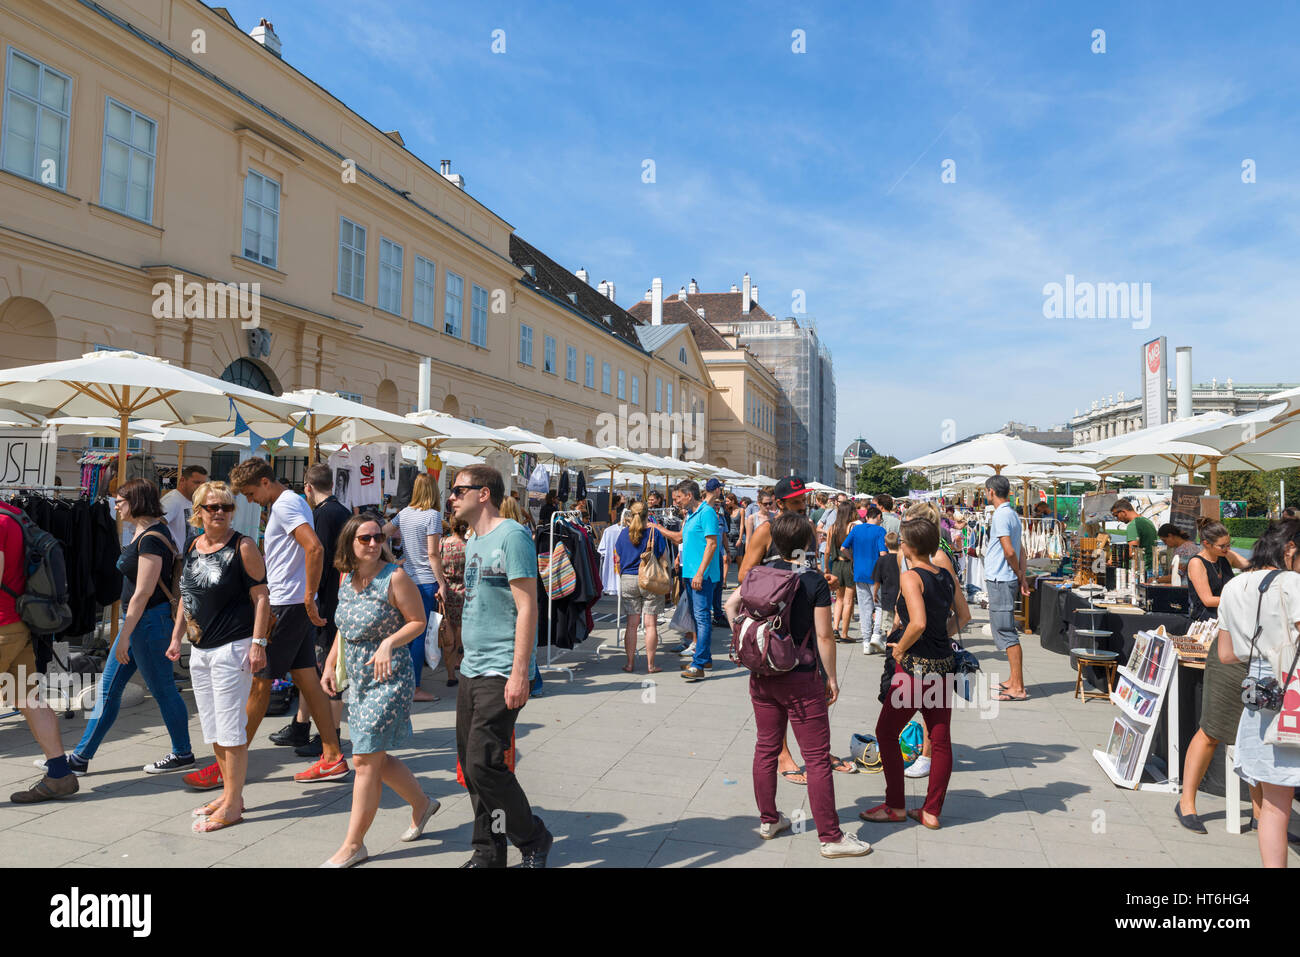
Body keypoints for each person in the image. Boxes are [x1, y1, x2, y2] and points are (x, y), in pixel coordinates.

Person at [186, 458, 348, 790]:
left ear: (264, 482)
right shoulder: (290, 502)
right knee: (307, 678)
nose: (248, 500)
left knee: (261, 682)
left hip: (287, 604)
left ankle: (227, 768)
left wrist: (308, 594)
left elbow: (314, 548)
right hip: (289, 601)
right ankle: (332, 756)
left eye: (248, 493)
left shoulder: (286, 504)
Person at [728, 512, 871, 858]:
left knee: (766, 747)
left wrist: (751, 644)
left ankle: (768, 819)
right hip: (801, 676)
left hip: (762, 673)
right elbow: (824, 634)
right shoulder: (811, 580)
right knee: (817, 758)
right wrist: (832, 677)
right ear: (807, 543)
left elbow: (731, 606)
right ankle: (831, 837)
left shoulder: (758, 573)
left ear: (775, 540)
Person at [450, 465, 554, 867]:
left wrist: (519, 672)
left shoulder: (512, 536)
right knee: (471, 767)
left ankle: (534, 837)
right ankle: (489, 853)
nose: (452, 498)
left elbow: (528, 607)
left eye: (459, 490)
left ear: (484, 494)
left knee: (483, 763)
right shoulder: (474, 540)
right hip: (472, 669)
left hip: (500, 669)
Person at [319, 514, 437, 867]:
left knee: (364, 759)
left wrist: (388, 642)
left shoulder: (395, 577)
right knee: (375, 756)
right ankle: (422, 804)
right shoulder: (347, 578)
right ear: (349, 544)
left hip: (390, 677)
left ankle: (354, 844)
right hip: (357, 677)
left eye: (377, 537)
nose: (373, 544)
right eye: (364, 539)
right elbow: (344, 627)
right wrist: (329, 663)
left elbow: (418, 621)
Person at [68, 479, 194, 775]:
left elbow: (144, 592)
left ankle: (183, 753)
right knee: (109, 692)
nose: (117, 505)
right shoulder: (147, 530)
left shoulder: (151, 536)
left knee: (162, 689)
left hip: (148, 623)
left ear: (136, 502)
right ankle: (80, 758)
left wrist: (123, 636)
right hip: (142, 623)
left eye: (121, 500)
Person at [172, 481, 270, 832]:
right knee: (213, 727)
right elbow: (186, 593)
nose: (220, 513)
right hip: (200, 648)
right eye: (213, 507)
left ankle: (232, 804)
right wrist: (176, 638)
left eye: (226, 507)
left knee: (231, 729)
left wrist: (258, 643)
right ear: (198, 511)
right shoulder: (192, 544)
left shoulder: (243, 546)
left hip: (233, 647)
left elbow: (262, 597)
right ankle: (231, 795)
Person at [861, 517, 969, 829]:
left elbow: (917, 623)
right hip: (943, 667)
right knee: (941, 738)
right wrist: (942, 636)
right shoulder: (946, 575)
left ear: (908, 547)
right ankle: (931, 810)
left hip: (914, 670)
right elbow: (964, 614)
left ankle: (895, 804)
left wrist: (899, 649)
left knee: (886, 732)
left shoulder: (911, 577)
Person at [1214, 519, 1300, 867]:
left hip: (1259, 695)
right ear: (1290, 550)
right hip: (1293, 691)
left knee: (1275, 808)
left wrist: (1262, 650)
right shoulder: (1293, 583)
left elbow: (1226, 654)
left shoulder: (1235, 586)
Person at [1176, 518, 1252, 832]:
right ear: (1206, 544)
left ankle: (1260, 813)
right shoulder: (1196, 562)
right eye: (1221, 545)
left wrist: (1232, 556)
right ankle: (1186, 800)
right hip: (1207, 627)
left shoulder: (1224, 558)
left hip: (1230, 630)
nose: (1226, 549)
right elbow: (1207, 600)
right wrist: (1244, 598)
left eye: (1228, 544)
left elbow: (1248, 566)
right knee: (1210, 727)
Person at [272, 464, 352, 756]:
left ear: (307, 487)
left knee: (327, 670)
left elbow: (317, 556)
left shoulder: (321, 515)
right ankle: (301, 724)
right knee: (311, 668)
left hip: (326, 603)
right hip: (334, 599)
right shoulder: (343, 511)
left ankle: (327, 734)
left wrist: (310, 596)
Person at [3, 499, 79, 803]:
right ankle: (59, 774)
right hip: (17, 626)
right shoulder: (14, 516)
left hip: (1, 626)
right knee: (28, 698)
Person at [384, 474, 448, 703]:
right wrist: (441, 582)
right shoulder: (432, 516)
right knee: (420, 633)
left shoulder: (404, 514)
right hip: (425, 579)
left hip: (406, 579)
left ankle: (401, 681)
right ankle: (414, 686)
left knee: (406, 632)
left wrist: (392, 558)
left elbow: (381, 533)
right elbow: (433, 554)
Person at [657, 480, 720, 682]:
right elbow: (680, 539)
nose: (676, 501)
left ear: (689, 495)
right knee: (696, 616)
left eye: (678, 497)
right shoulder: (691, 515)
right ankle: (705, 658)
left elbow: (711, 545)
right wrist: (656, 527)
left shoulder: (707, 512)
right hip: (689, 572)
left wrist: (701, 573)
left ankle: (699, 663)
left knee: (701, 618)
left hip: (702, 575)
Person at [984, 475, 1030, 702]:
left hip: (1001, 578)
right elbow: (1021, 549)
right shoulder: (1012, 514)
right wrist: (1022, 575)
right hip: (1006, 577)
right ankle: (1013, 680)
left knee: (1005, 631)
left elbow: (1010, 551)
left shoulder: (1002, 515)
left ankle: (1018, 687)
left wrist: (1020, 573)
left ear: (991, 491)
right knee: (1005, 629)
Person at [615, 500, 668, 674]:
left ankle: (629, 663)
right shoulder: (654, 532)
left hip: (628, 579)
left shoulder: (623, 534)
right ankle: (651, 665)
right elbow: (663, 558)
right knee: (650, 624)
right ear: (648, 514)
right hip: (650, 579)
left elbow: (619, 557)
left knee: (631, 624)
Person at [840, 505, 888, 654]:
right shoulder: (880, 530)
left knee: (864, 607)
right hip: (876, 573)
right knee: (880, 606)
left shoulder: (856, 529)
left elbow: (843, 548)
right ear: (879, 517)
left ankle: (866, 642)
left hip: (859, 572)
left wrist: (853, 558)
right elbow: (882, 553)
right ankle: (876, 634)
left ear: (867, 517)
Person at [438, 512, 468, 687]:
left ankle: (450, 675)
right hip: (466, 595)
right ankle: (461, 662)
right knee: (462, 634)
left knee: (448, 637)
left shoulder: (442, 544)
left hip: (447, 594)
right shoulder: (469, 546)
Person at [826, 502, 858, 642]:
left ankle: (835, 628)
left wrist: (826, 568)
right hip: (849, 564)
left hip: (836, 565)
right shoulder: (852, 527)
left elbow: (827, 550)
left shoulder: (832, 528)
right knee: (848, 600)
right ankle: (844, 633)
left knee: (838, 599)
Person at [161, 465, 208, 550]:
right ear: (182, 480)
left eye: (203, 484)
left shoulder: (192, 500)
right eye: (196, 482)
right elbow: (155, 525)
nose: (201, 487)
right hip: (177, 560)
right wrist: (171, 548)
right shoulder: (172, 500)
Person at [704, 478, 729, 626]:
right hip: (708, 555)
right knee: (709, 587)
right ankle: (708, 617)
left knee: (718, 586)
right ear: (717, 490)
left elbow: (723, 535)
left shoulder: (718, 515)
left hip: (717, 554)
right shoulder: (705, 511)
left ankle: (717, 615)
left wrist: (727, 552)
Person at [1112, 498, 1159, 571]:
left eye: (1116, 516)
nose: (1118, 520)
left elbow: (1132, 552)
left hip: (1141, 571)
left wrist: (1114, 559)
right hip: (1151, 567)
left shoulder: (1133, 525)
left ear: (1123, 512)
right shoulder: (1147, 521)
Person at [874, 531, 901, 642]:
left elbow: (877, 580)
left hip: (887, 595)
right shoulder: (902, 559)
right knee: (900, 622)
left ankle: (890, 644)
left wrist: (874, 593)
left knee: (888, 624)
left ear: (885, 544)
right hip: (901, 594)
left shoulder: (881, 560)